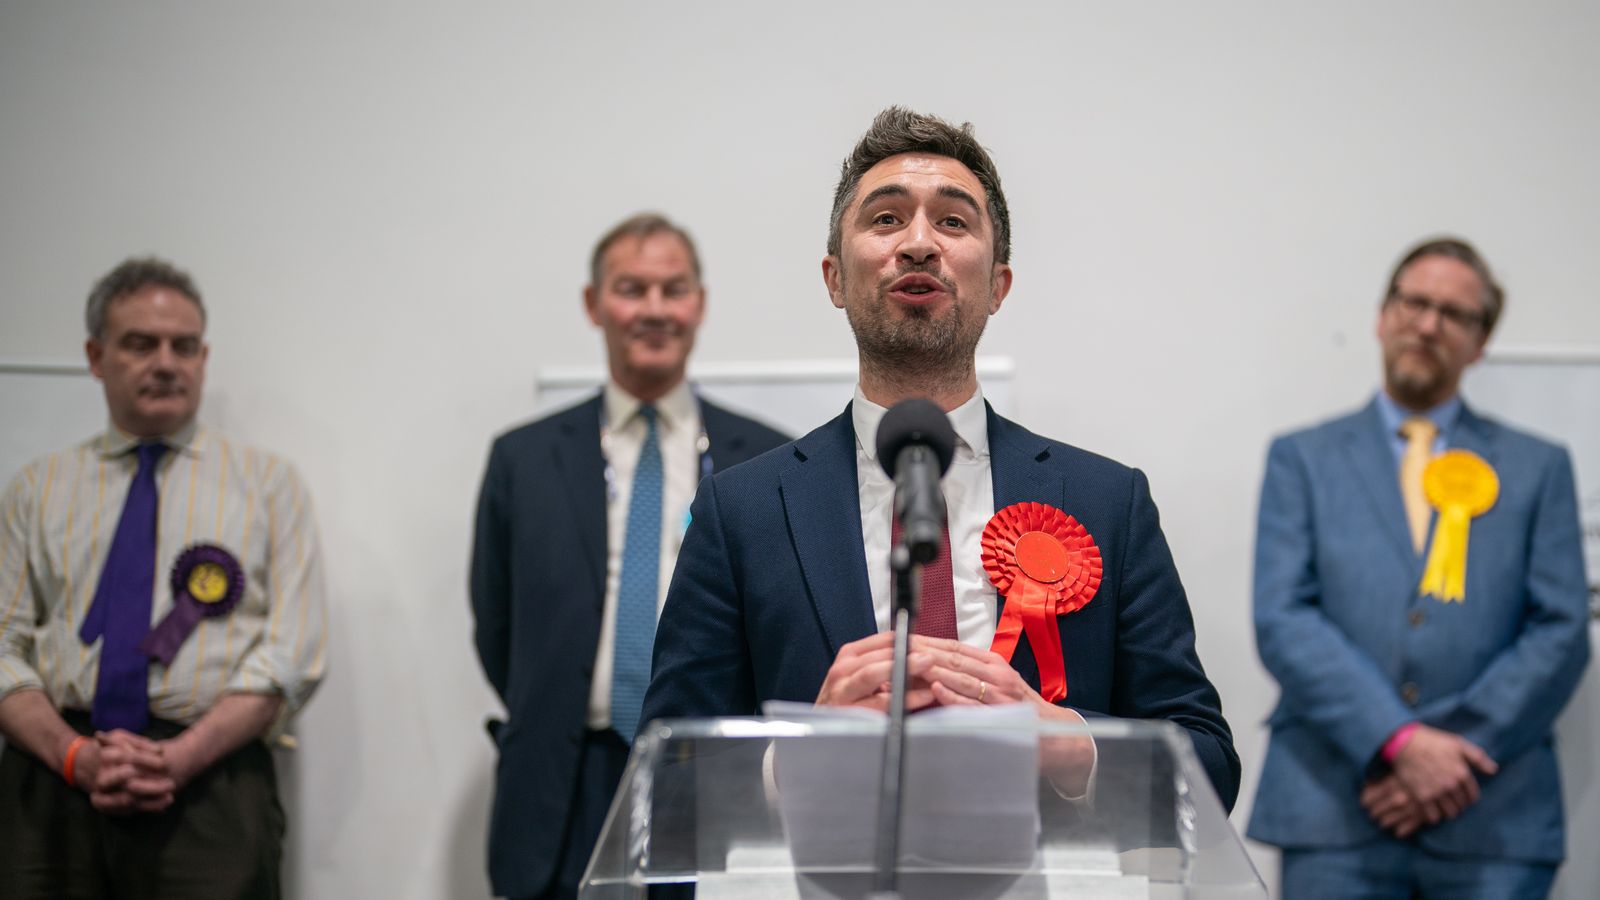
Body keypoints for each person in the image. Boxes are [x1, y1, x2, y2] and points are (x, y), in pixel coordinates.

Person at [639, 108, 1239, 808]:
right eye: (886, 219)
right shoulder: (741, 511)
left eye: (953, 222)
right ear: (835, 279)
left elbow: (1210, 767)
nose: (920, 243)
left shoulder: (1108, 502)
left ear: (998, 286)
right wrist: (799, 756)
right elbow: (665, 776)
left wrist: (1068, 741)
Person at [1248, 238, 1590, 898]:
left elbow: (1562, 628)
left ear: (1480, 343)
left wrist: (1446, 756)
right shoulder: (1302, 458)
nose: (1429, 325)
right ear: (1382, 316)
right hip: (1334, 808)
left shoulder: (1539, 467)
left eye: (1455, 314)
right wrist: (1398, 740)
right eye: (1414, 303)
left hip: (1493, 816)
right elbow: (1282, 618)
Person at [470, 213, 789, 900]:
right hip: (561, 781)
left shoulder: (766, 460)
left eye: (673, 289)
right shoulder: (523, 460)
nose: (654, 309)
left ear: (700, 304)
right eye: (630, 289)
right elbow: (495, 629)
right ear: (594, 304)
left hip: (710, 776)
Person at [0, 257, 329, 899]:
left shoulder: (269, 486)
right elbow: (3, 644)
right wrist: (74, 756)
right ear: (96, 357)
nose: (166, 363)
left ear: (204, 357)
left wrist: (181, 758)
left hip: (211, 786)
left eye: (184, 346)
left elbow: (293, 654)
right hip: (53, 777)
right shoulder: (36, 489)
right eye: (140, 343)